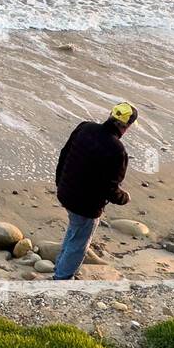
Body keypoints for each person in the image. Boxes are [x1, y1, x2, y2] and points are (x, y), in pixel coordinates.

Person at [52, 102, 137, 280]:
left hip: (66, 192)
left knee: (74, 231)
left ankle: (60, 267)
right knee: (79, 242)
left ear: (110, 115)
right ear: (126, 126)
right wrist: (124, 198)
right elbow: (110, 189)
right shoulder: (117, 150)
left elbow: (64, 153)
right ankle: (62, 278)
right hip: (86, 206)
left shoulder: (85, 128)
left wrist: (60, 182)